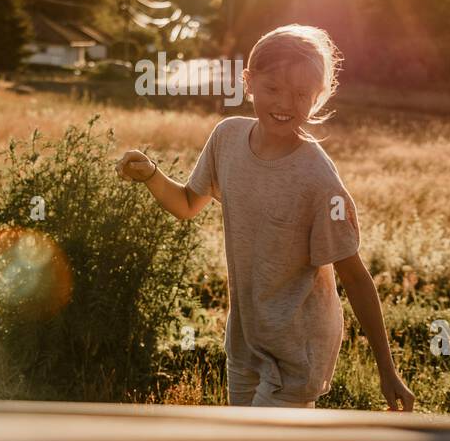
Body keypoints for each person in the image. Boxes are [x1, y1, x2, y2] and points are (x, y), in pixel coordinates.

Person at [116, 24, 415, 410]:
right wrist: (152, 175)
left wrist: (387, 371)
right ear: (248, 82)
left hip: (297, 350)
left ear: (317, 98)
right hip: (245, 342)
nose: (286, 104)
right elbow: (188, 203)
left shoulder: (319, 181)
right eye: (273, 88)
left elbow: (355, 277)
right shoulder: (227, 139)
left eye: (301, 94)